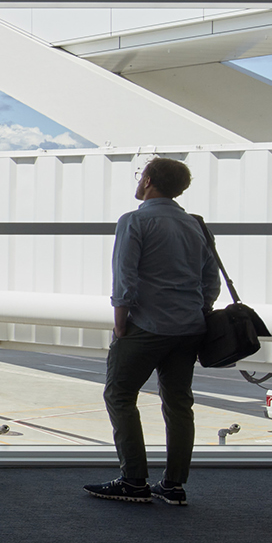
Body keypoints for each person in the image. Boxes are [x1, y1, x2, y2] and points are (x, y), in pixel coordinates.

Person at [86, 156, 220, 506]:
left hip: (146, 325)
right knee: (179, 404)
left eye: (140, 175)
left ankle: (133, 480)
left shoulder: (135, 221)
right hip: (189, 328)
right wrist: (198, 310)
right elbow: (211, 280)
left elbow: (125, 276)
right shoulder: (195, 224)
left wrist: (120, 324)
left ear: (148, 180)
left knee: (119, 395)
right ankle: (173, 485)